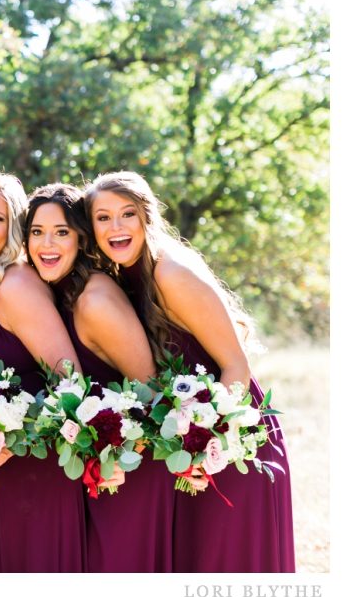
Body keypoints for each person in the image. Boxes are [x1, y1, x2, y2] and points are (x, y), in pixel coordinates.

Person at [85, 170, 295, 572]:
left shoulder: (169, 274)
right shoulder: (124, 277)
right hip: (193, 440)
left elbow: (237, 364)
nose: (116, 227)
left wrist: (206, 448)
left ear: (147, 217)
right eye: (103, 217)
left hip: (232, 439)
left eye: (127, 214)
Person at [24, 182, 174, 572]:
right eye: (36, 232)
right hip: (103, 469)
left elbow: (153, 393)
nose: (47, 244)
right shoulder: (59, 293)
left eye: (61, 232)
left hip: (132, 472)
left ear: (81, 238)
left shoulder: (94, 300)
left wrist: (119, 459)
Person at [0, 171, 83, 572]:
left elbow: (70, 383)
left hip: (30, 474)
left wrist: (9, 442)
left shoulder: (15, 283)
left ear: (14, 229)